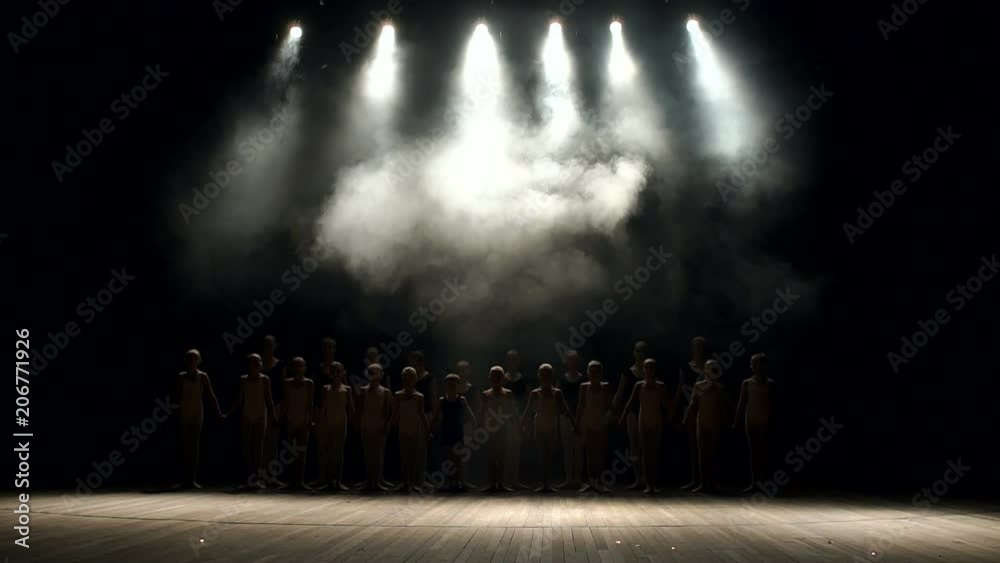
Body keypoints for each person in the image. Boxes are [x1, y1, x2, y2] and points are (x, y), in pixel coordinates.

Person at [620, 358, 672, 494]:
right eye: (647, 367)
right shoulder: (638, 385)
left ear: (655, 370)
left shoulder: (660, 386)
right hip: (642, 422)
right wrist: (621, 419)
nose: (649, 370)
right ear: (643, 369)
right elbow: (630, 403)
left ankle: (654, 483)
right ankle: (647, 484)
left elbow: (666, 405)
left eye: (652, 367)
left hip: (656, 421)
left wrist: (672, 416)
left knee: (654, 453)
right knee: (644, 453)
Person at [521, 363, 574, 493]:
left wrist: (574, 424)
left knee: (549, 455)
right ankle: (544, 484)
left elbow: (566, 409)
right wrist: (520, 426)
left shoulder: (557, 393)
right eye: (543, 374)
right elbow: (527, 410)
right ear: (539, 376)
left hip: (552, 425)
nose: (545, 377)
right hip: (539, 425)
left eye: (548, 374)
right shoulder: (535, 393)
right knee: (542, 455)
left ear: (551, 376)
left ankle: (547, 484)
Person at [226, 353, 274, 490]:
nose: (257, 363)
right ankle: (247, 479)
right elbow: (240, 399)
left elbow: (269, 400)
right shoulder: (243, 379)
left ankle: (256, 479)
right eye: (254, 361)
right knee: (246, 447)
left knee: (258, 448)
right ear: (249, 364)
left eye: (259, 361)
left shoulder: (265, 379)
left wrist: (273, 417)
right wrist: (228, 413)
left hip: (260, 415)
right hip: (247, 414)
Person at [176, 349, 223, 489]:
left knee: (194, 446)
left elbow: (211, 396)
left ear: (199, 361)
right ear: (185, 360)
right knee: (185, 446)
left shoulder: (203, 376)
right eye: (189, 358)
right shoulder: (181, 377)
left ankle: (192, 479)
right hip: (184, 413)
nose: (192, 361)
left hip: (197, 413)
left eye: (195, 358)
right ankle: (184, 479)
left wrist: (219, 413)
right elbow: (175, 397)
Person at [733, 353, 776, 492]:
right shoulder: (747, 383)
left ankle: (764, 483)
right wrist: (736, 422)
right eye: (753, 363)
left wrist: (774, 421)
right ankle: (754, 483)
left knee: (764, 452)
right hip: (751, 422)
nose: (754, 366)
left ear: (763, 365)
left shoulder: (771, 384)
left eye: (757, 363)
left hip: (766, 421)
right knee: (754, 453)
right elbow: (741, 404)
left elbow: (775, 405)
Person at [684, 359, 727, 493]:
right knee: (702, 455)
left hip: (714, 424)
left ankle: (712, 484)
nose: (710, 372)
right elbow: (692, 405)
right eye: (708, 369)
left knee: (713, 455)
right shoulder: (698, 386)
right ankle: (703, 484)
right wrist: (685, 420)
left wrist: (727, 422)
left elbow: (723, 408)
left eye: (713, 370)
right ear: (704, 371)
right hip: (701, 424)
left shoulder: (720, 388)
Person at [432, 374, 478, 491]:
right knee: (448, 459)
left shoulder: (461, 400)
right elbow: (435, 417)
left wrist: (470, 426)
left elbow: (471, 416)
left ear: (458, 385)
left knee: (457, 459)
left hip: (458, 431)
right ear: (445, 386)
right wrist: (431, 429)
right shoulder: (442, 401)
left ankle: (457, 482)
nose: (451, 386)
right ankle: (449, 482)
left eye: (454, 384)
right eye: (449, 384)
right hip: (447, 431)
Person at [614, 341, 648, 489]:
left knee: (646, 446)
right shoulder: (628, 372)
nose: (640, 354)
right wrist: (614, 410)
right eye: (638, 351)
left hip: (648, 411)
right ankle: (638, 479)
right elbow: (620, 392)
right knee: (634, 446)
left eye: (643, 351)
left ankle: (648, 479)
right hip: (632, 412)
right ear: (634, 352)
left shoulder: (650, 371)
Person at [392, 367, 432, 492]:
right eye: (406, 376)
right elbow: (395, 413)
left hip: (415, 428)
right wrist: (390, 426)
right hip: (403, 428)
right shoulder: (398, 395)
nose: (408, 379)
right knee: (404, 456)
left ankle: (412, 483)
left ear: (415, 379)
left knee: (413, 457)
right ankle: (405, 483)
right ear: (402, 378)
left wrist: (427, 430)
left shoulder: (419, 396)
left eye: (410, 376)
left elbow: (421, 414)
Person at [316, 361, 354, 491]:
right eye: (333, 372)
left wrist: (353, 421)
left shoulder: (347, 389)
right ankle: (328, 481)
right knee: (328, 452)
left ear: (342, 372)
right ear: (330, 373)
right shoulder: (326, 389)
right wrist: (319, 422)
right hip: (328, 423)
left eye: (338, 371)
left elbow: (350, 409)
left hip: (341, 423)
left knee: (339, 452)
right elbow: (322, 408)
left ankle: (338, 481)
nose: (336, 374)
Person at [576, 360, 613, 493]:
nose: (594, 373)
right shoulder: (584, 387)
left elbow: (610, 405)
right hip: (588, 422)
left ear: (601, 373)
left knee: (600, 453)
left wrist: (608, 418)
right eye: (591, 371)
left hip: (600, 422)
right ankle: (590, 482)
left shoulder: (606, 386)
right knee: (589, 453)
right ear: (587, 372)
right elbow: (580, 406)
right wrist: (577, 422)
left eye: (597, 371)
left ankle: (599, 481)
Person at [677, 337, 708, 490]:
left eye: (701, 346)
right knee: (693, 446)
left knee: (707, 446)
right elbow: (681, 388)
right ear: (692, 349)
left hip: (707, 410)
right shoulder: (686, 367)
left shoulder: (710, 367)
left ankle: (707, 481)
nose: (698, 349)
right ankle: (695, 480)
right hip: (689, 408)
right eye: (696, 346)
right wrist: (676, 409)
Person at [480, 366, 516, 492]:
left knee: (501, 457)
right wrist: (479, 427)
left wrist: (517, 426)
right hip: (489, 430)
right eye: (493, 376)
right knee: (491, 457)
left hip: (503, 429)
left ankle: (500, 483)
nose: (495, 379)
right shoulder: (486, 394)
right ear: (490, 377)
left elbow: (512, 412)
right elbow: (482, 412)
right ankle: (491, 483)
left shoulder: (508, 394)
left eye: (498, 376)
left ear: (502, 378)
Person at [358, 363, 392, 491]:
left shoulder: (385, 392)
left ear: (381, 374)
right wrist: (360, 424)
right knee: (368, 455)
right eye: (370, 372)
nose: (373, 374)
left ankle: (377, 481)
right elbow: (359, 409)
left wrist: (386, 426)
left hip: (379, 426)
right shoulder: (363, 390)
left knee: (378, 455)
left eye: (375, 372)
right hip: (367, 425)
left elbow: (388, 412)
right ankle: (369, 481)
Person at [282, 357, 314, 489]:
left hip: (303, 420)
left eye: (301, 366)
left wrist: (310, 420)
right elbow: (285, 403)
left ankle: (300, 481)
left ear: (305, 368)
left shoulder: (309, 383)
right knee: (289, 452)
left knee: (301, 452)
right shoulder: (287, 383)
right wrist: (282, 418)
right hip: (290, 419)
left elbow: (310, 404)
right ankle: (290, 481)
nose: (298, 369)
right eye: (296, 366)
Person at [259, 335, 286, 486]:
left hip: (275, 405)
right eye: (265, 344)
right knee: (258, 441)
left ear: (275, 346)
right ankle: (258, 475)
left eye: (270, 344)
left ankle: (271, 476)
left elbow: (283, 389)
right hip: (258, 405)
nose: (267, 347)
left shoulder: (279, 366)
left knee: (272, 442)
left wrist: (282, 408)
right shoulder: (257, 364)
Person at [408, 351, 436, 489]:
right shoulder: (409, 378)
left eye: (414, 362)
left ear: (420, 362)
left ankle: (420, 478)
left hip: (425, 414)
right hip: (411, 415)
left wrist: (434, 419)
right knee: (410, 446)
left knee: (422, 449)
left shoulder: (428, 378)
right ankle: (410, 479)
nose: (412, 365)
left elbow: (433, 398)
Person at [504, 349, 531, 489]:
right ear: (506, 361)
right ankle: (505, 480)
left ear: (518, 361)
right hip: (503, 420)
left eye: (514, 359)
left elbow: (528, 401)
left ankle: (514, 480)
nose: (512, 362)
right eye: (509, 359)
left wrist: (525, 420)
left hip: (519, 419)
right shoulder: (502, 379)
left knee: (516, 450)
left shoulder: (524, 379)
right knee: (505, 450)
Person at [558, 350, 585, 490]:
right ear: (566, 362)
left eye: (574, 359)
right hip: (565, 417)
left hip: (579, 418)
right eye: (570, 359)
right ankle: (568, 479)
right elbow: (559, 401)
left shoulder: (583, 379)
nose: (572, 362)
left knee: (578, 450)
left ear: (577, 361)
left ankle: (578, 479)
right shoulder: (562, 380)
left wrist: (579, 418)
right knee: (567, 450)